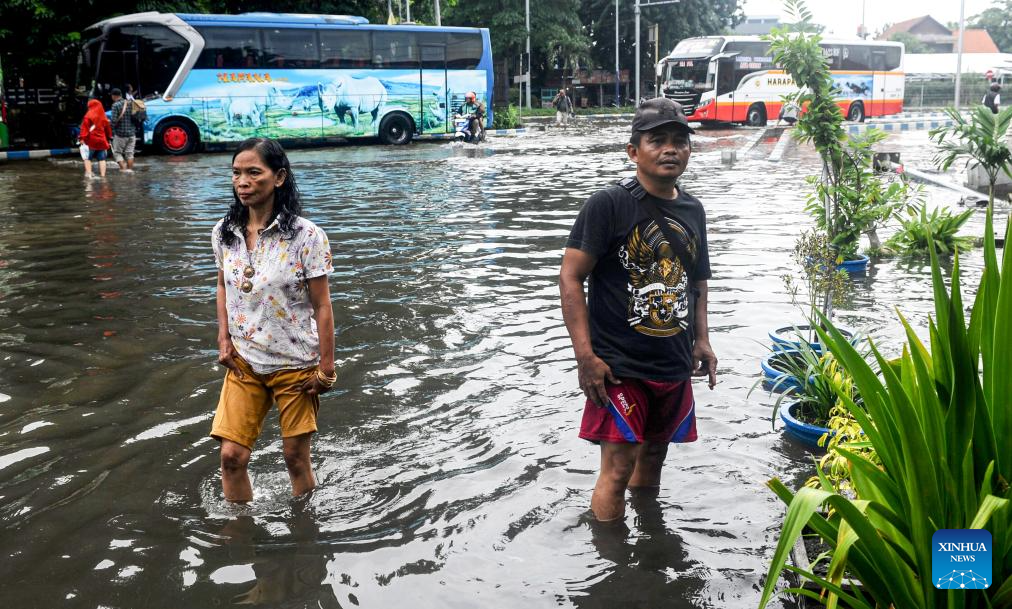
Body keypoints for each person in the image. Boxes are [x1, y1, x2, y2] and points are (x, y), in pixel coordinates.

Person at [559, 98, 717, 522]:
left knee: (654, 460)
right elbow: (571, 277)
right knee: (617, 468)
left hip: (672, 362)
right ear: (633, 151)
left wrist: (701, 340)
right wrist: (585, 358)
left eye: (679, 141)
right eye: (657, 141)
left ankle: (649, 551)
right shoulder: (608, 205)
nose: (671, 150)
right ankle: (612, 568)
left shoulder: (693, 210)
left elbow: (697, 280)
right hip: (619, 367)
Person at [210, 138, 336, 503]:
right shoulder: (224, 233)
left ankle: (305, 534)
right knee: (232, 458)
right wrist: (223, 338)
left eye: (253, 173)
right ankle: (239, 542)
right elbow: (223, 285)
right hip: (244, 360)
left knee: (295, 458)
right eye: (236, 173)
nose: (242, 182)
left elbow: (323, 306)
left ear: (278, 177)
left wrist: (326, 367)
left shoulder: (306, 236)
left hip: (296, 364)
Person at [79, 98, 112, 178]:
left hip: (90, 140)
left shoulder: (88, 116)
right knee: (102, 159)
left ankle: (89, 175)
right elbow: (108, 129)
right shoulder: (103, 116)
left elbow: (84, 128)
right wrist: (109, 137)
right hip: (101, 140)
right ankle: (103, 176)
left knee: (87, 158)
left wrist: (82, 138)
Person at [109, 88, 136, 172]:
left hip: (120, 134)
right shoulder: (130, 103)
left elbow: (113, 120)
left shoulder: (115, 105)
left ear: (114, 96)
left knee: (117, 153)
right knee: (129, 153)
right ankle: (130, 171)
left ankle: (124, 170)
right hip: (132, 133)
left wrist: (110, 129)